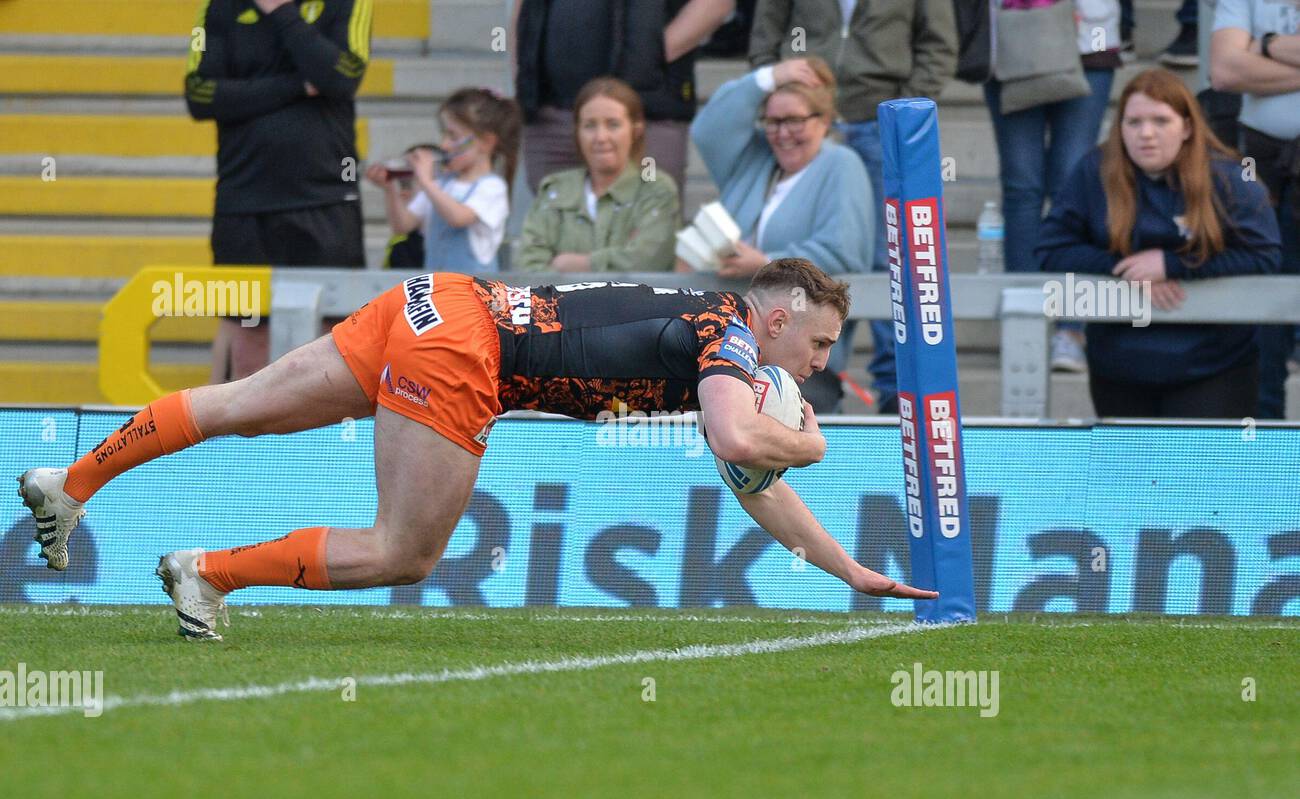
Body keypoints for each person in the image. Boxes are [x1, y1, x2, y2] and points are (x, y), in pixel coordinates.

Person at [18, 259, 937, 640]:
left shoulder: (716, 328)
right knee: (405, 550)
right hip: (468, 354)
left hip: (440, 299)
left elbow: (748, 478)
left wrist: (848, 570)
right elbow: (746, 441)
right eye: (816, 346)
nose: (819, 364)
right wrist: (812, 446)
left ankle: (71, 481)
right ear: (778, 320)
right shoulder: (732, 339)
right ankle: (208, 573)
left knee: (241, 404)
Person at [748, 0, 958, 415]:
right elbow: (765, 35)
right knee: (814, 256)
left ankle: (895, 402)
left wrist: (905, 111)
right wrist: (785, 96)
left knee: (891, 264)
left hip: (882, 122)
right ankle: (813, 382)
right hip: (806, 117)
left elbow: (939, 43)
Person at [1037, 69, 1281, 418]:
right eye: (1133, 122)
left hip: (1215, 363)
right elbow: (1050, 249)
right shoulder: (1095, 170)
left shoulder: (1229, 176)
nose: (1146, 134)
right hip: (1119, 362)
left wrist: (1174, 265)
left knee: (1198, 472)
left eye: (1160, 121)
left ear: (1187, 127)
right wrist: (1127, 269)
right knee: (1129, 472)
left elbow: (1265, 255)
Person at [185, 0, 371, 383]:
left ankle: (325, 442)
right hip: (244, 203)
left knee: (332, 345)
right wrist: (297, 85)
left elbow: (342, 75)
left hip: (326, 201)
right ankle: (248, 443)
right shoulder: (219, 8)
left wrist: (281, 10)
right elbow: (201, 95)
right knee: (250, 346)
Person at [689, 57, 873, 414]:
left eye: (794, 120)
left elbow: (845, 252)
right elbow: (707, 131)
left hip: (798, 362)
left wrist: (766, 263)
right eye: (772, 121)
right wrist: (766, 77)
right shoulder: (756, 160)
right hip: (730, 346)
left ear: (823, 121)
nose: (781, 133)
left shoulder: (841, 165)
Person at [984, 0, 1122, 374]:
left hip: (1089, 40)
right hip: (1010, 39)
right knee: (1022, 188)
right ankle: (1024, 316)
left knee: (1073, 186)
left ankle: (1071, 329)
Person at [513, 0, 736, 199]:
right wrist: (523, 71)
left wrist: (651, 54)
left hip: (647, 115)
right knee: (553, 229)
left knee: (648, 220)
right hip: (552, 116)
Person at [1210, 0, 1300, 419]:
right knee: (1263, 318)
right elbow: (1226, 72)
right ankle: (1267, 450)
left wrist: (1262, 48)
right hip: (1260, 166)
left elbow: (1242, 63)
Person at [515, 78, 679, 272]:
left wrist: (578, 264)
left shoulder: (656, 189)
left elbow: (647, 262)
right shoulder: (556, 189)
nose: (601, 137)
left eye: (613, 125)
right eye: (590, 125)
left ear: (635, 130)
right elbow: (528, 267)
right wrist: (617, 258)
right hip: (564, 303)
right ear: (577, 132)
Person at [367, 88, 521, 273]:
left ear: (486, 142)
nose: (444, 145)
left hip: (473, 293)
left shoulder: (492, 188)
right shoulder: (442, 185)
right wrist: (390, 189)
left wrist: (426, 181)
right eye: (444, 135)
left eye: (453, 136)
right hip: (438, 289)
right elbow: (402, 225)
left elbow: (458, 218)